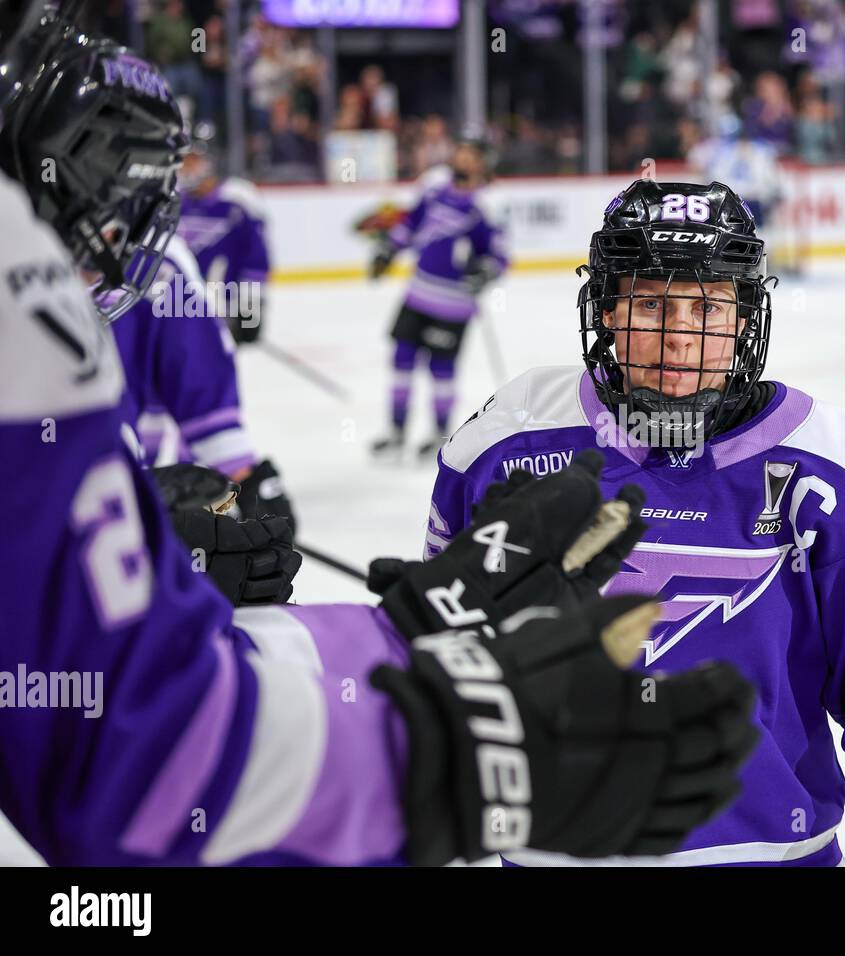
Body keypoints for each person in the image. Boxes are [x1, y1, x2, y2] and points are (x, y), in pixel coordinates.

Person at [0, 5, 756, 867]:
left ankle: (412, 426)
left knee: (428, 374)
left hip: (440, 310)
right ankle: (404, 427)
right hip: (417, 311)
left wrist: (386, 634)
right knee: (408, 368)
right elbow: (137, 763)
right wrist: (429, 749)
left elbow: (90, 698)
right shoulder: (23, 299)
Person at [422, 179, 845, 867]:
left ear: (745, 319)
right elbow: (437, 641)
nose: (677, 340)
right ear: (607, 312)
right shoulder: (507, 445)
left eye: (706, 305)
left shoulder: (831, 468)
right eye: (649, 304)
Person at [369, 140, 508, 460]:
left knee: (441, 369)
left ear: (482, 164)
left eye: (470, 155)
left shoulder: (486, 205)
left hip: (453, 305)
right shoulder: (433, 187)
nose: (460, 157)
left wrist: (486, 270)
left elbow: (499, 253)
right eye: (459, 150)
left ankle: (440, 435)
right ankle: (396, 432)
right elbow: (410, 223)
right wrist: (388, 249)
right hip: (417, 294)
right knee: (401, 359)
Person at [177, 122, 273, 345]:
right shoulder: (172, 200)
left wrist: (249, 307)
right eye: (183, 159)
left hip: (228, 307)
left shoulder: (239, 199)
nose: (184, 167)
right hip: (177, 307)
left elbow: (255, 258)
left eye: (192, 159)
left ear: (210, 161)